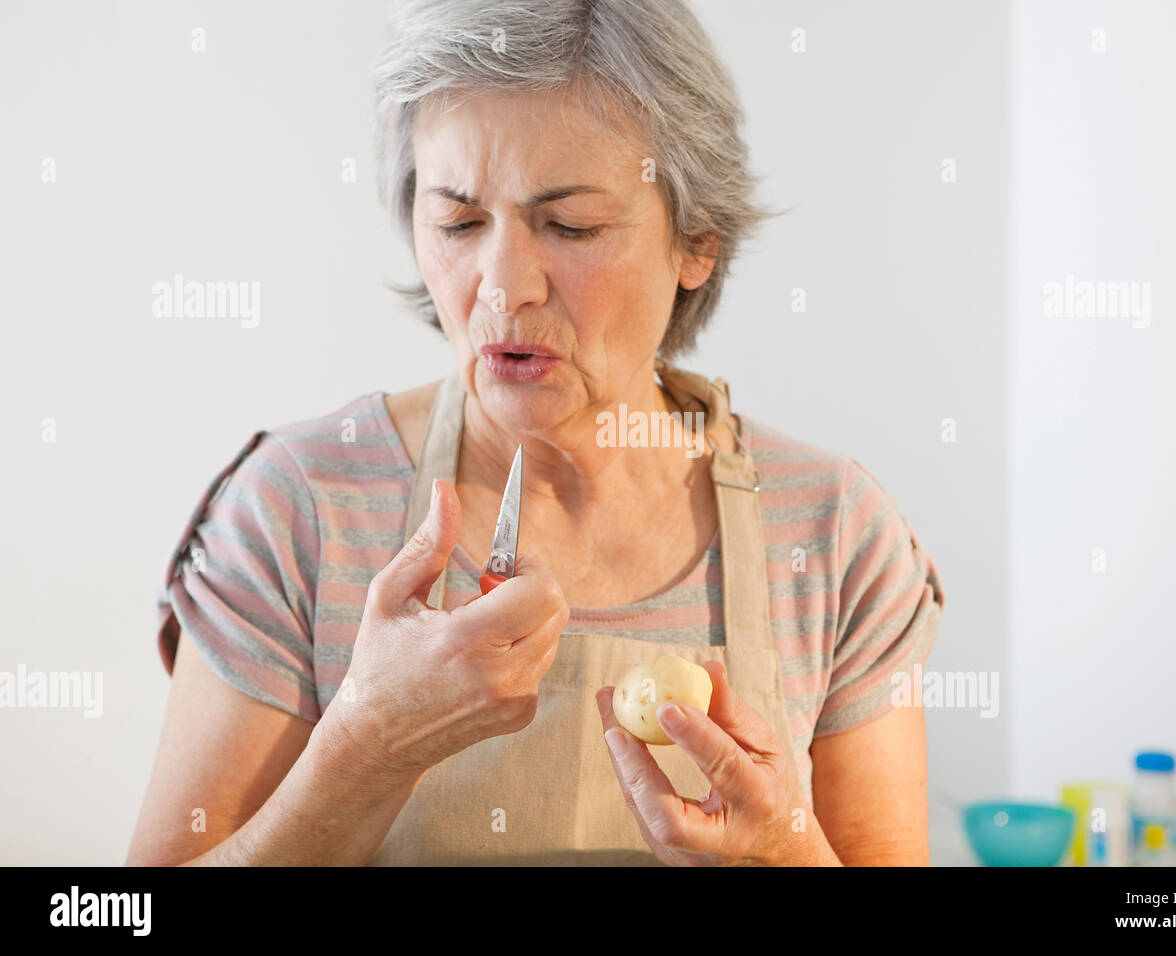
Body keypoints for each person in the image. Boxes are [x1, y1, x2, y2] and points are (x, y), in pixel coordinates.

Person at [127, 0, 945, 866]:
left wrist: (786, 849)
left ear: (696, 242)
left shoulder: (835, 534)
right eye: (458, 222)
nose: (503, 285)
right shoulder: (297, 509)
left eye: (571, 226)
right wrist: (368, 743)